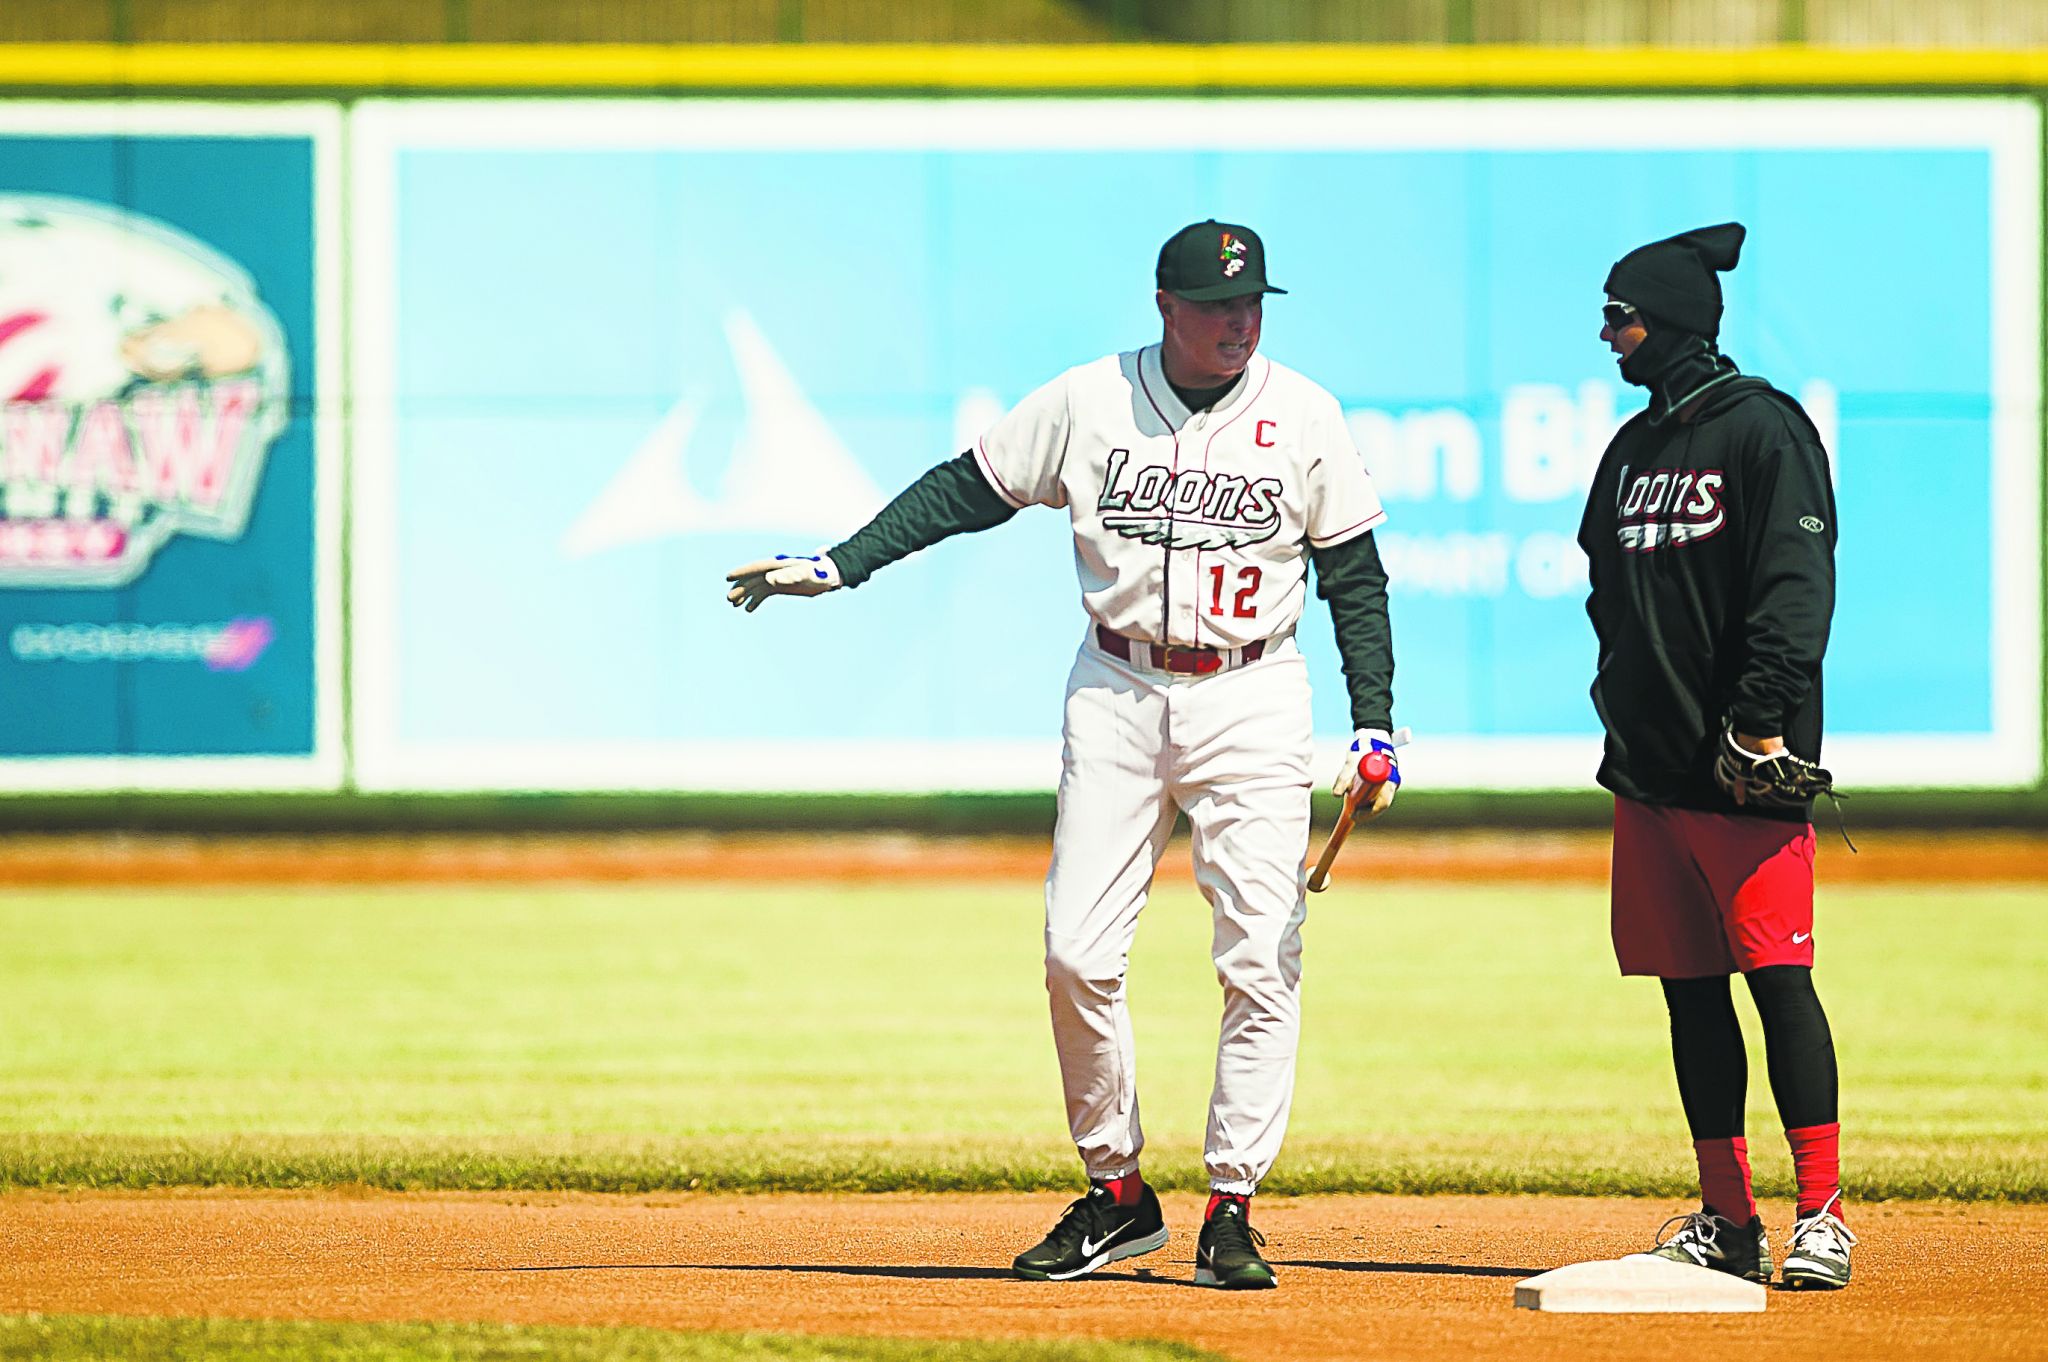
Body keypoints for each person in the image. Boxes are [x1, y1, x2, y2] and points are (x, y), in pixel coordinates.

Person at [727, 219, 1399, 1290]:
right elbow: (968, 487)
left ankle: (1231, 1206)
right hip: (1118, 687)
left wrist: (1374, 722)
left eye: (1251, 303)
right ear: (1165, 307)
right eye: (1216, 305)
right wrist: (847, 563)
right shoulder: (1091, 399)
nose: (1239, 322)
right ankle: (1116, 1194)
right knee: (1075, 955)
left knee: (1259, 957)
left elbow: (1354, 575)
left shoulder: (1305, 412)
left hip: (1254, 693)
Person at [1578, 221, 1856, 1290]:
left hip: (1740, 767)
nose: (1608, 334)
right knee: (1689, 994)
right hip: (1648, 771)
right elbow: (1605, 590)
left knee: (1779, 982)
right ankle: (1728, 1219)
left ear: (1671, 320)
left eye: (1619, 316)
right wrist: (1621, 710)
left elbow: (1796, 591)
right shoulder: (1630, 449)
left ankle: (1820, 1214)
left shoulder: (1762, 431)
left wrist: (1759, 722)